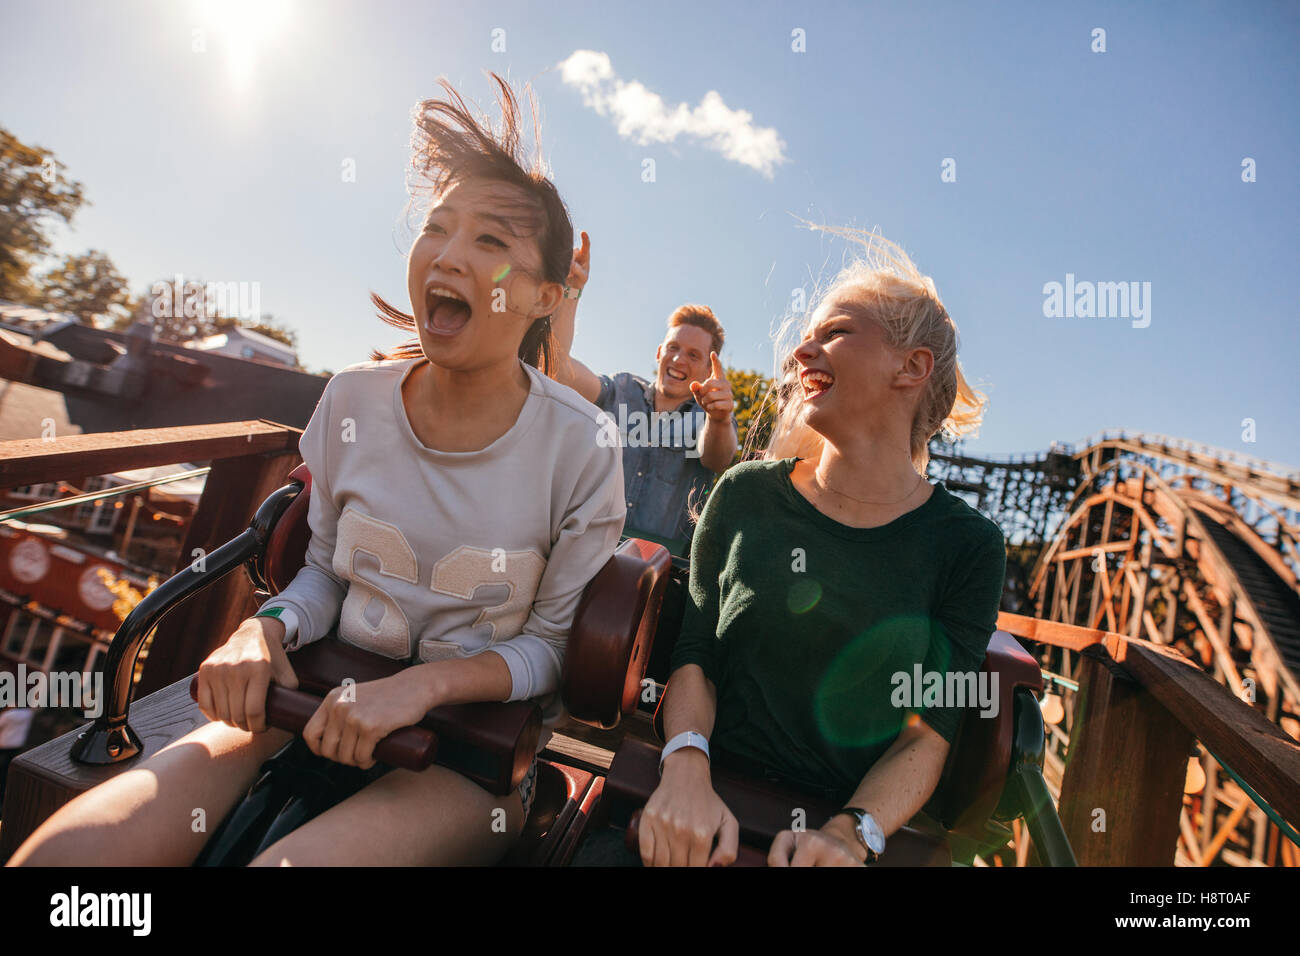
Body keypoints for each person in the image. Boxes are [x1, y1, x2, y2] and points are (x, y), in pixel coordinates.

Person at [10, 74, 625, 867]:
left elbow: (549, 652)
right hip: (310, 695)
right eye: (438, 227)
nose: (448, 253)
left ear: (545, 295)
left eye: (491, 243)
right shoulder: (351, 399)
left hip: (471, 753)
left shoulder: (582, 446)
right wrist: (261, 630)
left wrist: (422, 687)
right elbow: (328, 575)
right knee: (65, 868)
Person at [632, 230, 1006, 867]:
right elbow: (697, 653)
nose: (802, 350)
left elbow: (928, 731)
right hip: (699, 807)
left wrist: (849, 834)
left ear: (911, 367)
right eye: (808, 334)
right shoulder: (746, 494)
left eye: (834, 333)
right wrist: (685, 770)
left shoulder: (967, 546)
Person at [550, 235, 738, 545]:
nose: (679, 359)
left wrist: (718, 419)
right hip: (583, 550)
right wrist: (571, 291)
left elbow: (718, 459)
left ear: (707, 369)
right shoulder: (621, 389)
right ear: (658, 352)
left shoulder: (711, 417)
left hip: (661, 572)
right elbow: (558, 370)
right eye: (673, 347)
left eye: (694, 355)